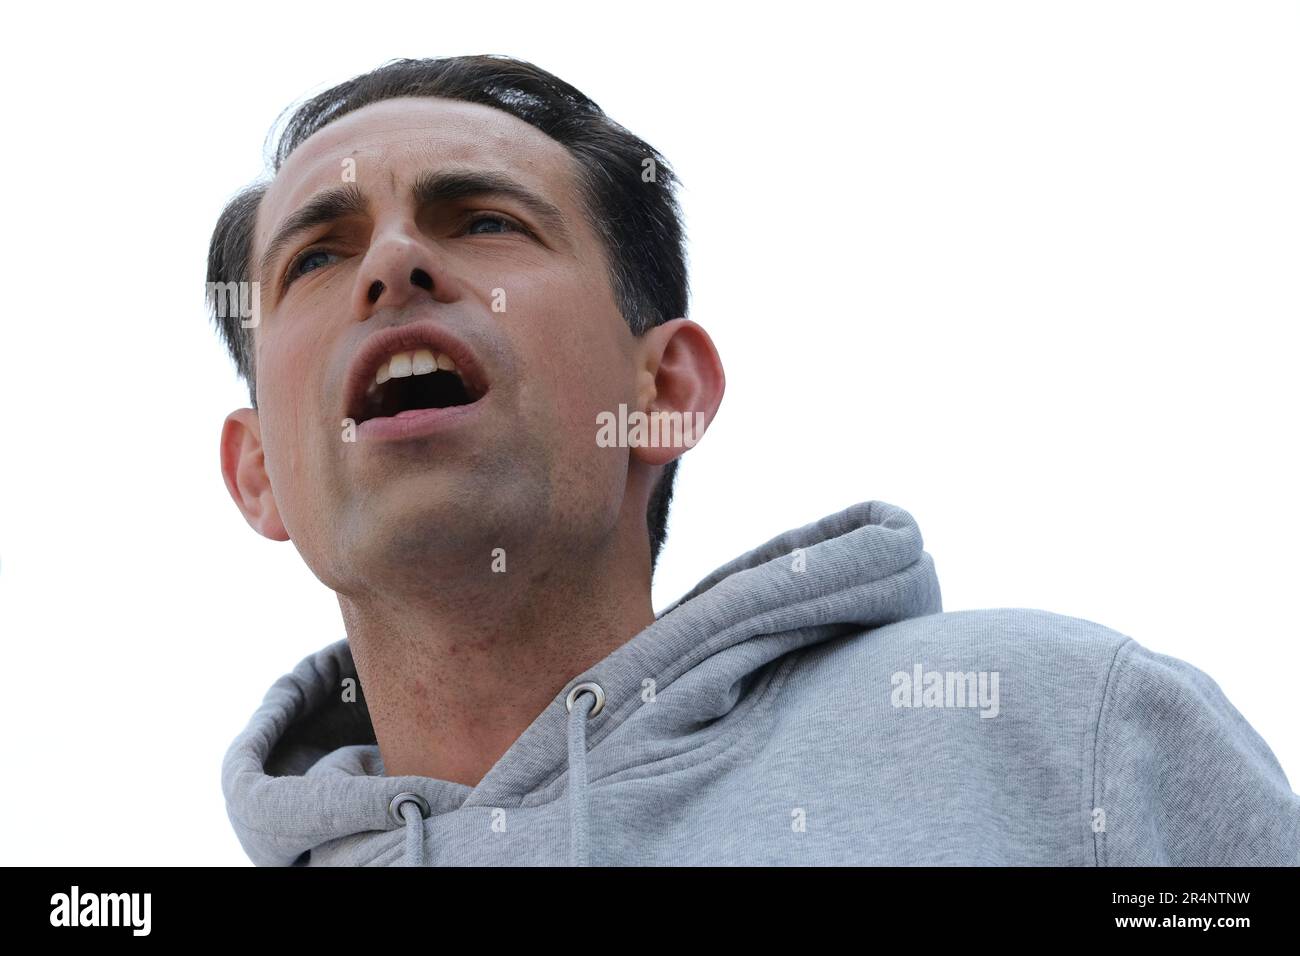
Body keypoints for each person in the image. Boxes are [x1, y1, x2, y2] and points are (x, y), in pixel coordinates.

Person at [210, 55, 1299, 866]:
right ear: (257, 469)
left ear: (664, 393)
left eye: (485, 221)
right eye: (316, 254)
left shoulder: (1063, 732)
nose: (395, 261)